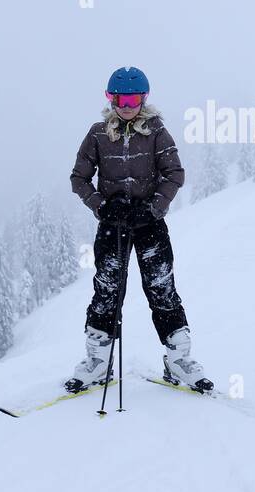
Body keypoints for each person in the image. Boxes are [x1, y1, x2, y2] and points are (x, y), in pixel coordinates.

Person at [66, 66, 212, 393]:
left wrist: (154, 207)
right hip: (112, 225)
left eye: (134, 98)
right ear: (111, 98)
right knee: (107, 290)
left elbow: (174, 174)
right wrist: (101, 205)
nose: (127, 105)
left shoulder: (157, 132)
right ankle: (97, 363)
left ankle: (178, 361)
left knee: (161, 288)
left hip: (149, 225)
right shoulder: (98, 133)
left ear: (144, 99)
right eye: (121, 98)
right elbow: (79, 178)